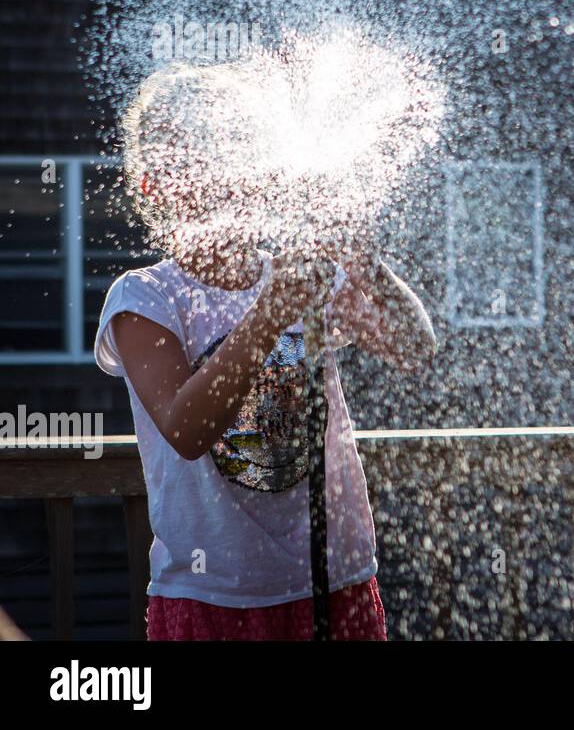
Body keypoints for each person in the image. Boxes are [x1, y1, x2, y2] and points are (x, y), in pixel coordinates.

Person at [95, 63, 437, 640]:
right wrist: (271, 313)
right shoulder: (146, 297)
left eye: (231, 155)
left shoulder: (301, 277)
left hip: (334, 579)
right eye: (194, 162)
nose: (219, 177)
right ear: (154, 185)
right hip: (216, 594)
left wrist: (366, 263)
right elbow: (187, 429)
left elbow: (414, 348)